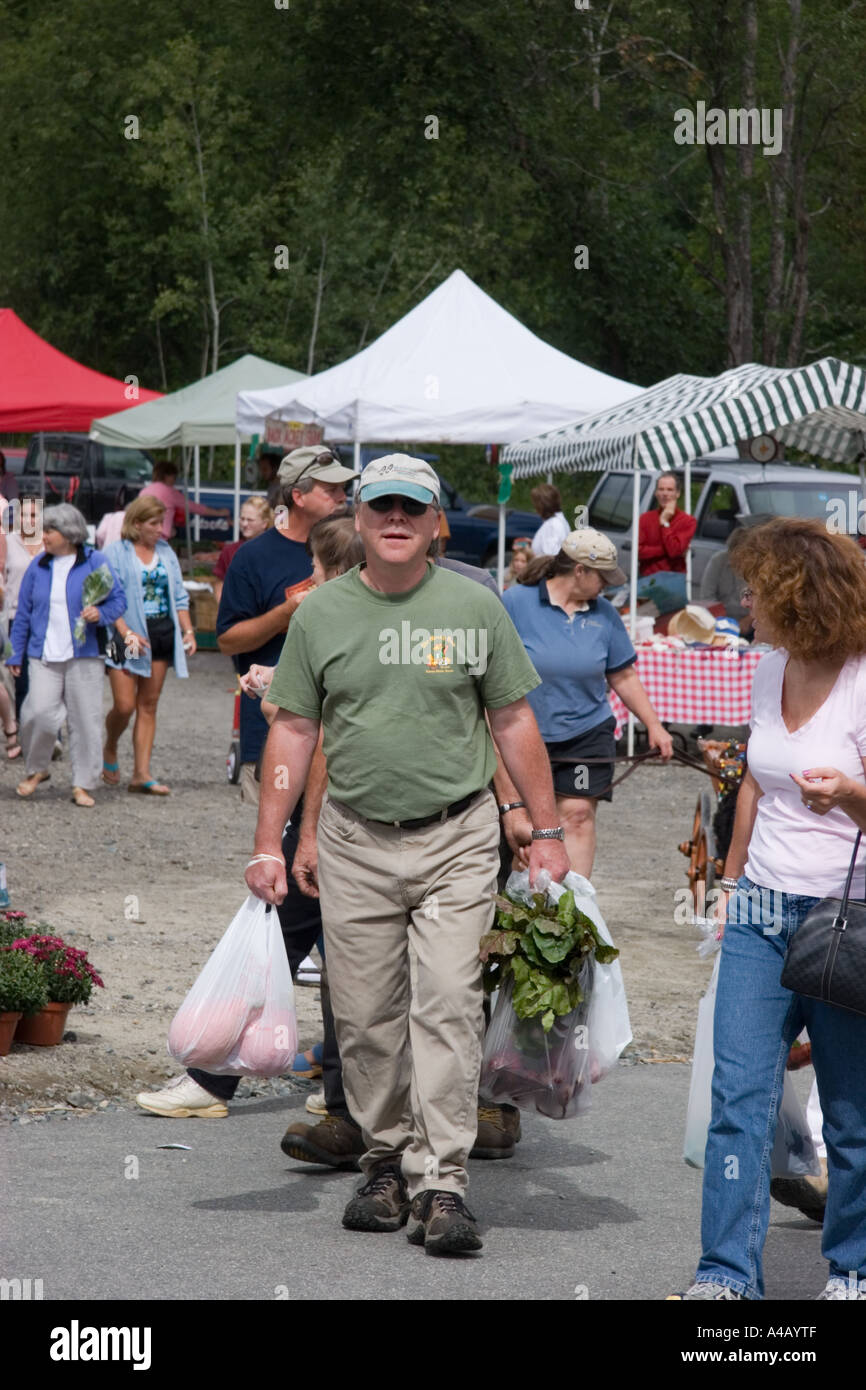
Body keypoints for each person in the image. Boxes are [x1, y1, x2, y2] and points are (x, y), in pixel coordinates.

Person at [245, 453, 569, 1256]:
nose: (396, 519)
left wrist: (548, 827)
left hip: (458, 835)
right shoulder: (321, 615)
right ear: (357, 519)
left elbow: (513, 721)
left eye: (412, 508)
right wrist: (273, 842)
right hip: (357, 838)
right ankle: (386, 1161)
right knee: (363, 1014)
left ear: (435, 524)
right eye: (381, 506)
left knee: (449, 1002)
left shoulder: (474, 604)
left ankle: (443, 1181)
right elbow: (294, 729)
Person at [671, 518, 866, 1302]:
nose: (742, 600)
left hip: (848, 917)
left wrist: (850, 793)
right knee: (738, 1100)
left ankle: (852, 1266)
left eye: (755, 588)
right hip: (760, 910)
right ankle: (725, 1275)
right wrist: (729, 883)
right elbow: (751, 782)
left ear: (799, 595)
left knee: (852, 1115)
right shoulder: (766, 668)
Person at [135, 515, 366, 1130]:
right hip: (328, 812)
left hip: (336, 811)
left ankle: (229, 1081)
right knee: (323, 944)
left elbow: (315, 728)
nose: (309, 576)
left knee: (325, 945)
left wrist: (298, 832)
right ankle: (329, 1090)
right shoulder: (331, 617)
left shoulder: (336, 620)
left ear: (336, 569)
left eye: (317, 566)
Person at [503, 527, 673, 877]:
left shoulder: (605, 614)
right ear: (580, 571)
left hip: (586, 734)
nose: (607, 586)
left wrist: (654, 726)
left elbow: (623, 675)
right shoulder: (516, 602)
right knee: (532, 820)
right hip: (526, 735)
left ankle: (574, 910)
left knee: (578, 814)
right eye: (604, 578)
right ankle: (526, 908)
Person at [216, 447, 356, 805]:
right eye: (332, 490)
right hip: (272, 724)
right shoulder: (253, 556)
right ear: (298, 496)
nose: (344, 498)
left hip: (346, 735)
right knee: (279, 844)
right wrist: (287, 611)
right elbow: (228, 641)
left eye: (344, 489)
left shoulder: (356, 548)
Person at [7, 504, 125, 806]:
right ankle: (37, 769)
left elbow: (118, 600)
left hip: (85, 653)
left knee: (86, 720)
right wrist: (15, 653)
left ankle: (83, 783)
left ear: (69, 534)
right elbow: (23, 613)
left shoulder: (96, 561)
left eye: (49, 530)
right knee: (37, 714)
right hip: (42, 653)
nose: (42, 536)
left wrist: (100, 612)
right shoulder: (39, 565)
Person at [101, 496, 197, 795]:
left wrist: (189, 630)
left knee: (149, 704)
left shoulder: (166, 552)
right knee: (125, 704)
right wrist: (125, 631)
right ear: (137, 523)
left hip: (161, 633)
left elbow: (179, 596)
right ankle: (111, 746)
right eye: (154, 523)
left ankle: (141, 773)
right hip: (127, 634)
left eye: (162, 523)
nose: (161, 529)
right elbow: (106, 595)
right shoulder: (116, 552)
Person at [2, 496, 45, 721]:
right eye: (24, 514)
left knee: (45, 673)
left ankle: (51, 730)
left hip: (44, 618)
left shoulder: (50, 545)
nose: (28, 519)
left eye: (33, 515)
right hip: (13, 617)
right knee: (18, 676)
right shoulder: (7, 542)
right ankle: (23, 726)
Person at [700, 513, 774, 634]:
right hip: (721, 623)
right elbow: (707, 598)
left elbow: (769, 602)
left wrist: (748, 620)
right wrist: (725, 624)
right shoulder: (718, 561)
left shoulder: (762, 566)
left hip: (753, 623)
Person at [140, 460, 231, 541]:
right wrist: (219, 513)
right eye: (174, 477)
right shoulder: (170, 492)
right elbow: (195, 508)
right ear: (168, 476)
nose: (175, 480)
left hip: (143, 533)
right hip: (160, 536)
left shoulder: (144, 491)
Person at [212, 496, 273, 604]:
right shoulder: (229, 551)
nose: (244, 524)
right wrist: (224, 609)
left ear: (264, 523)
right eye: (242, 518)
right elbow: (219, 582)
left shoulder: (275, 551)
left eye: (250, 520)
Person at [637, 472, 696, 578]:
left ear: (677, 493)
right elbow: (638, 552)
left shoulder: (688, 521)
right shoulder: (645, 518)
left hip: (674, 581)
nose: (665, 493)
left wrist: (664, 522)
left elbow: (674, 551)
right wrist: (665, 551)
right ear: (656, 493)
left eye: (669, 490)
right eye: (661, 489)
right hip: (647, 580)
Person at [530, 484, 570, 556]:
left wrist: (528, 551)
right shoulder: (559, 520)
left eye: (535, 504)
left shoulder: (552, 525)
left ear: (541, 505)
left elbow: (549, 557)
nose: (534, 507)